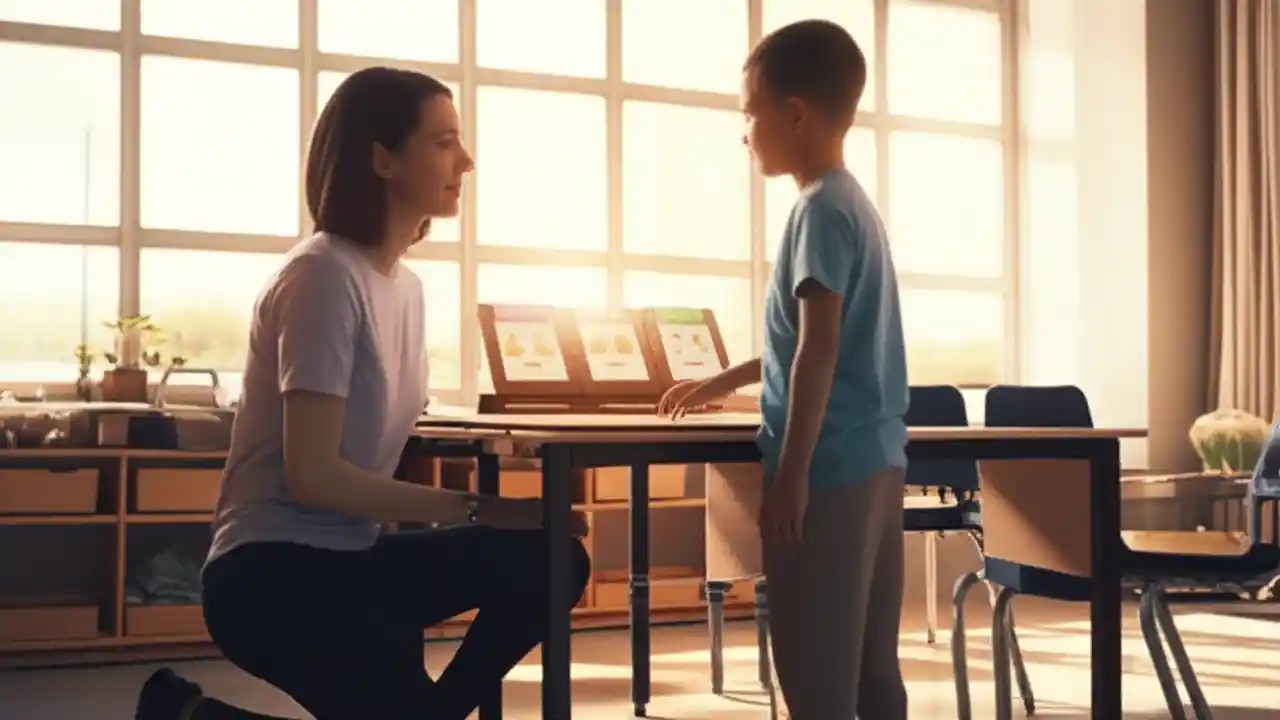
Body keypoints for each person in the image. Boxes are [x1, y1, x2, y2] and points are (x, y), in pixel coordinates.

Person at [135, 66, 590, 720]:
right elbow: (315, 475)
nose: (466, 159)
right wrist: (487, 508)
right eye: (443, 141)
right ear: (381, 158)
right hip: (269, 577)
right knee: (520, 540)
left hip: (355, 560)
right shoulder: (322, 276)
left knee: (553, 559)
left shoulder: (404, 288)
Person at [659, 20, 909, 720]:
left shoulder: (816, 211)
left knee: (814, 673)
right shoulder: (853, 204)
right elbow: (813, 338)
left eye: (749, 110)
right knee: (870, 671)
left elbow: (818, 350)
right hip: (879, 461)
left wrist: (791, 476)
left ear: (794, 115)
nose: (744, 130)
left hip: (828, 470)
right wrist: (723, 381)